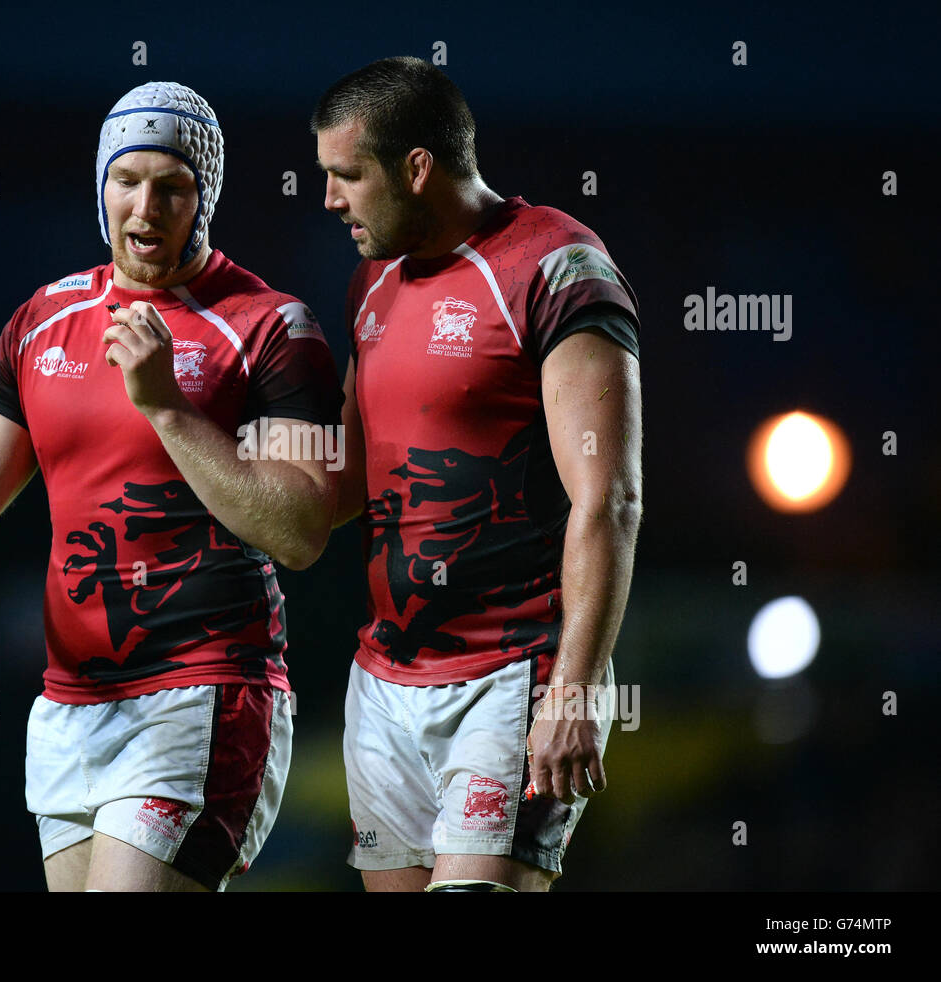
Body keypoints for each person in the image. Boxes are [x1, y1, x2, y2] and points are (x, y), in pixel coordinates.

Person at [0, 81, 341, 892]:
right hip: (70, 707)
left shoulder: (271, 327)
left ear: (205, 194)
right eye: (127, 179)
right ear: (100, 183)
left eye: (173, 185)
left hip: (202, 692)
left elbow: (299, 528)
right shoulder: (42, 320)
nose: (146, 206)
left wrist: (166, 409)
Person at [313, 57, 643, 892]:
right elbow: (344, 483)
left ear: (417, 168)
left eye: (347, 175)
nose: (330, 199)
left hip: (514, 676)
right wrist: (188, 423)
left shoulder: (557, 266)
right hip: (385, 683)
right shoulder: (369, 282)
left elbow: (609, 497)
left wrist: (573, 691)